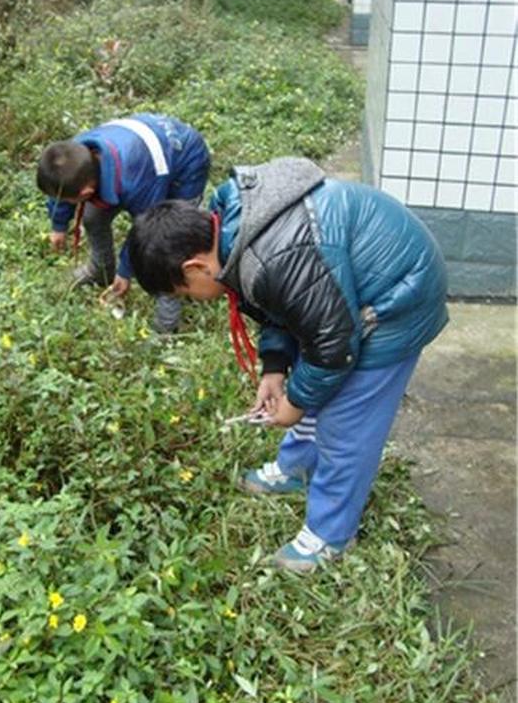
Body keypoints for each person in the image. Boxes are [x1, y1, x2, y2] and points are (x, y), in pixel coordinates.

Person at [126, 156, 448, 573]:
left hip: (397, 299)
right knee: (310, 371)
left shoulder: (274, 255)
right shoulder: (232, 228)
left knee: (345, 424)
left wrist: (294, 402)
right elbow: (282, 306)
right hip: (347, 295)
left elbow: (333, 347)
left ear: (196, 266)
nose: (192, 299)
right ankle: (297, 466)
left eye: (185, 293)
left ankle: (330, 535)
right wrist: (275, 368)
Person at [36, 112, 210, 333]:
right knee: (92, 216)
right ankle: (101, 269)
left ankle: (167, 321)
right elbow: (59, 191)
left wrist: (126, 271)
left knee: (169, 240)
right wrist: (58, 225)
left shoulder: (135, 180)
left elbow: (145, 230)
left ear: (86, 192)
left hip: (185, 161)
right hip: (142, 148)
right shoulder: (74, 155)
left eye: (70, 201)